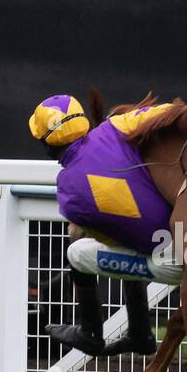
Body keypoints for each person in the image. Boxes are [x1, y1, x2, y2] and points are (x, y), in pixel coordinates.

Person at [27, 94, 170, 356]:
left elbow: (111, 239)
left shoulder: (69, 191)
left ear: (46, 143)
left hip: (178, 261)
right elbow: (170, 113)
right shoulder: (116, 125)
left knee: (78, 250)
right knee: (130, 243)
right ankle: (140, 333)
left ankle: (90, 333)